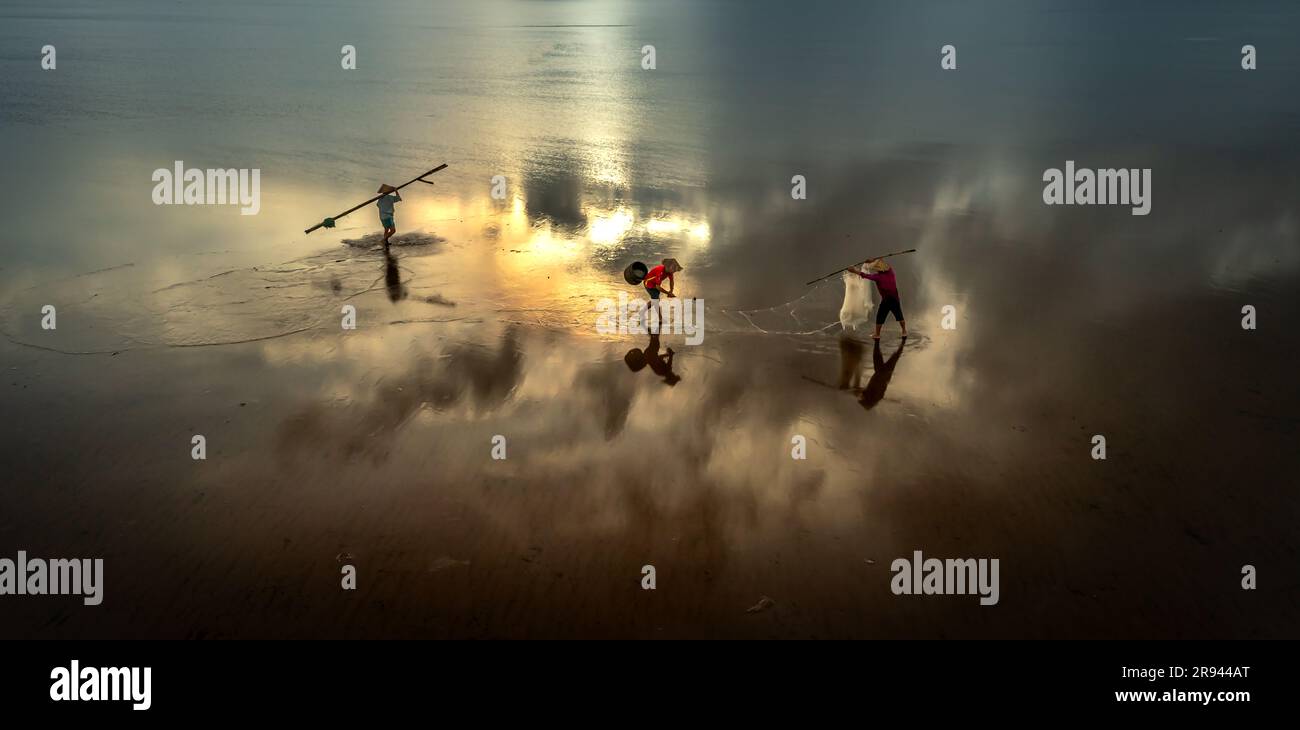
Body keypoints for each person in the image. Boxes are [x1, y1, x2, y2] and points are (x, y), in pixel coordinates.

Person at [848, 258, 907, 340]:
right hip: (895, 298)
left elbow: (865, 275)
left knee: (880, 317)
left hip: (886, 300)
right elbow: (881, 262)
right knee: (899, 315)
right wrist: (872, 260)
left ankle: (877, 334)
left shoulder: (878, 277)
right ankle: (904, 332)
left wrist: (854, 271)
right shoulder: (891, 272)